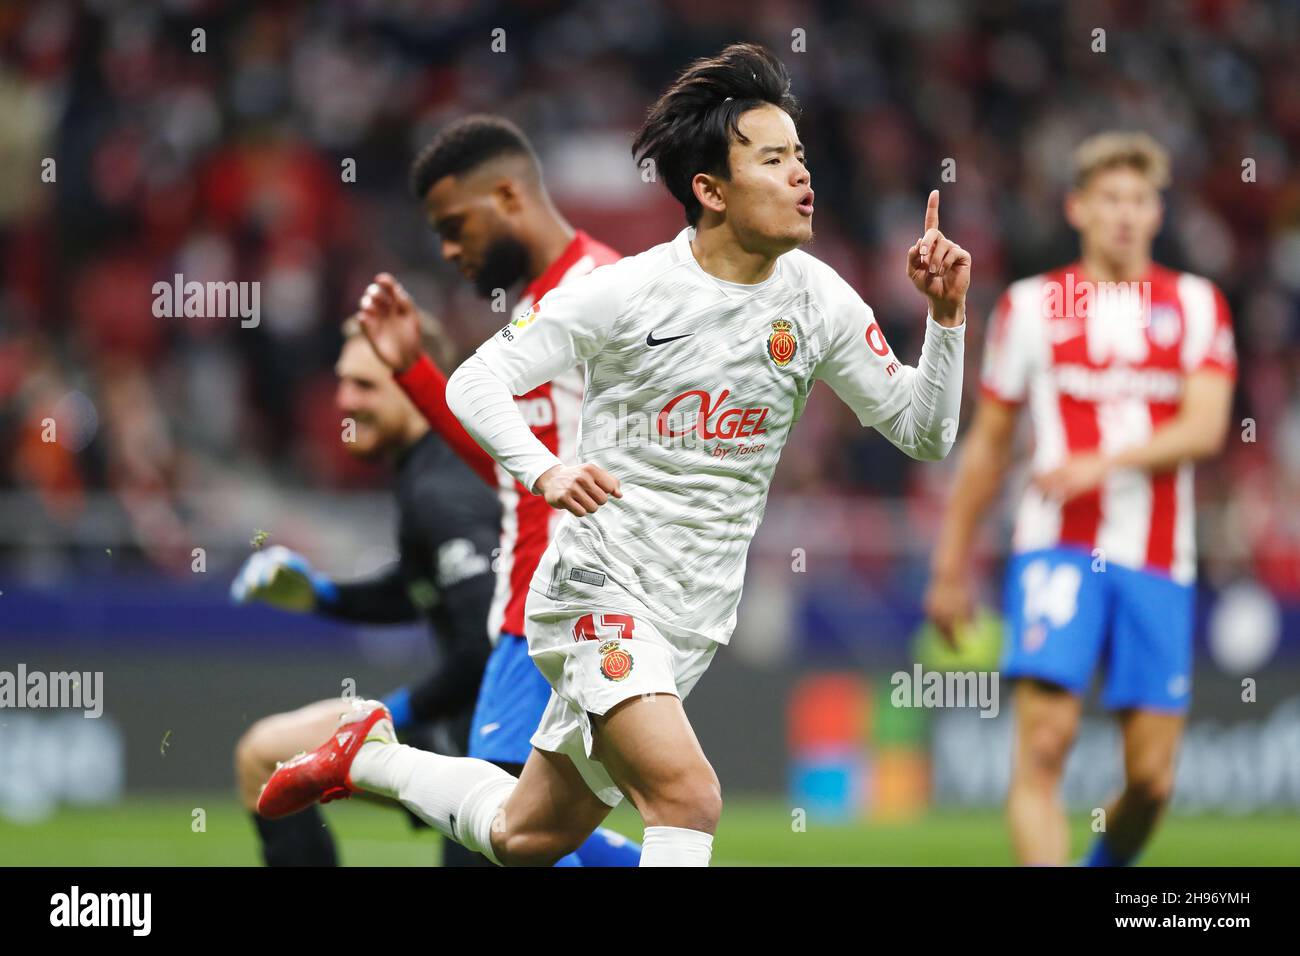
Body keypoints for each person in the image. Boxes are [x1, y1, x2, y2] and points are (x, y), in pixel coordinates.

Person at [260, 42, 969, 868]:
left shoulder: (818, 299)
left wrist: (947, 319)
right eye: (773, 160)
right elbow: (477, 381)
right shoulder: (624, 291)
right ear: (709, 190)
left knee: (524, 835)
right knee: (688, 797)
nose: (801, 176)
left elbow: (926, 432)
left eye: (800, 157)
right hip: (596, 588)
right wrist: (546, 468)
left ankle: (368, 755)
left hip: (691, 616)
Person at [923, 131, 1236, 866]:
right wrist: (950, 561)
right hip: (1056, 547)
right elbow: (991, 443)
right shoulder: (1032, 306)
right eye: (1110, 200)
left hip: (1160, 559)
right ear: (1078, 208)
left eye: (1138, 200)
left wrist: (1106, 462)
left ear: (1157, 213)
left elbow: (1207, 426)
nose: (1125, 214)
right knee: (1044, 744)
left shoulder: (1196, 304)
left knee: (1152, 782)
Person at [356, 114, 639, 866]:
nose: (449, 252)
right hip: (531, 613)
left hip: (566, 611)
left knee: (488, 842)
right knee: (527, 841)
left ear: (509, 194)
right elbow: (511, 471)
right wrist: (417, 370)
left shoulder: (605, 291)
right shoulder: (531, 311)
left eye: (455, 226)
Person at [231, 314, 501, 866]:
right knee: (265, 755)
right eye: (343, 381)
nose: (345, 401)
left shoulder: (444, 490)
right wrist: (320, 595)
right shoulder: (429, 470)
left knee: (266, 755)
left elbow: (485, 644)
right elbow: (420, 590)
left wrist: (386, 721)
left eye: (366, 385)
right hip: (469, 726)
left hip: (495, 750)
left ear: (416, 385)